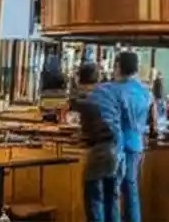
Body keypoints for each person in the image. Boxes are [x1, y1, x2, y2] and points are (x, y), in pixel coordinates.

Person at [90, 51, 152, 222]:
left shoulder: (113, 90)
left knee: (112, 193)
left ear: (117, 66)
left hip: (118, 146)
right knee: (131, 190)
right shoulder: (144, 92)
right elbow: (150, 119)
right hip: (136, 145)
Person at [74, 63, 119, 222]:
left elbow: (85, 128)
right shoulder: (107, 93)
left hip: (98, 150)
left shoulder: (85, 99)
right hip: (114, 149)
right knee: (110, 198)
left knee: (93, 197)